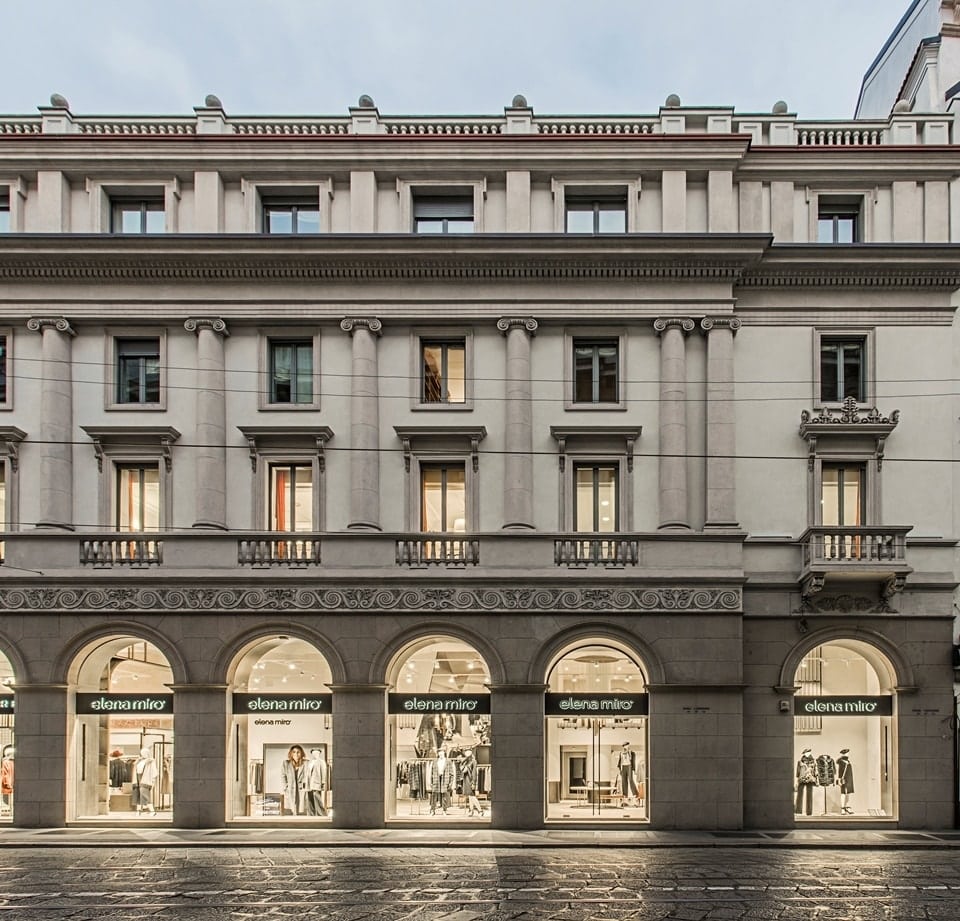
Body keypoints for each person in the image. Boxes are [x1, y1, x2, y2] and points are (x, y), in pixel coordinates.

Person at [281, 744, 307, 816]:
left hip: (301, 789)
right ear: (291, 753)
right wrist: (286, 787)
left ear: (301, 753)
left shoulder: (306, 763)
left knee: (301, 808)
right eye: (294, 752)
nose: (296, 754)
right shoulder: (286, 763)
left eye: (298, 752)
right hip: (290, 788)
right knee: (291, 808)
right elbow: (283, 776)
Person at [429, 744, 455, 815]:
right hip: (436, 779)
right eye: (439, 752)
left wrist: (450, 783)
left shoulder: (448, 761)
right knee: (434, 795)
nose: (440, 753)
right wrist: (430, 781)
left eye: (442, 752)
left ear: (444, 753)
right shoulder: (435, 761)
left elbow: (452, 774)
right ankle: (432, 810)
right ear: (438, 753)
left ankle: (444, 810)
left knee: (444, 795)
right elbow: (431, 772)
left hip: (445, 780)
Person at [460, 748, 485, 817]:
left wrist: (473, 782)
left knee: (472, 796)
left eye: (468, 752)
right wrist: (463, 761)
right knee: (470, 796)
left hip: (470, 780)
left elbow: (474, 772)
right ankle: (471, 810)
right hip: (465, 779)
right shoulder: (465, 761)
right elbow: (461, 769)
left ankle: (480, 810)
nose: (467, 753)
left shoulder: (473, 761)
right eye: (466, 752)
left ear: (471, 753)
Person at [133, 747, 157, 816]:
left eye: (144, 753)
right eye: (142, 753)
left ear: (147, 753)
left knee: (144, 795)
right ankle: (138, 811)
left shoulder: (151, 761)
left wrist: (153, 780)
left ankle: (152, 811)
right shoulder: (139, 761)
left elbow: (154, 771)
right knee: (138, 795)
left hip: (146, 779)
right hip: (138, 779)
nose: (143, 754)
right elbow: (136, 769)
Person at [304, 748, 328, 817]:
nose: (315, 754)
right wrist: (305, 782)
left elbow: (323, 773)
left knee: (317, 797)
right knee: (309, 798)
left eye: (317, 753)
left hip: (317, 783)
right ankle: (311, 814)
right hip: (309, 783)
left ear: (319, 754)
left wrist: (323, 782)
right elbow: (307, 773)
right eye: (314, 753)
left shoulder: (321, 762)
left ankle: (321, 814)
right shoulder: (310, 762)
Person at [617, 742, 640, 806]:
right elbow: (620, 761)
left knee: (630, 780)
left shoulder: (632, 753)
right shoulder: (621, 753)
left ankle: (635, 794)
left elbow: (633, 761)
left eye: (626, 745)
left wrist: (634, 770)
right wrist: (620, 769)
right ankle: (625, 795)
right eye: (624, 745)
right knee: (624, 781)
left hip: (629, 766)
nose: (625, 746)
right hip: (623, 766)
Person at [795, 748, 816, 816]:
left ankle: (809, 812)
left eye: (809, 752)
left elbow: (815, 771)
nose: (808, 753)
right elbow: (798, 772)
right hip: (801, 778)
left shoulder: (813, 761)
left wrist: (815, 778)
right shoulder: (800, 762)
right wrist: (797, 780)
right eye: (806, 752)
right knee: (799, 794)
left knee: (809, 795)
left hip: (810, 779)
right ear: (804, 753)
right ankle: (798, 811)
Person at [837, 748, 855, 815]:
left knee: (848, 793)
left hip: (849, 779)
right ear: (843, 754)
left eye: (848, 753)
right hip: (844, 779)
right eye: (846, 753)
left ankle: (847, 807)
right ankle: (842, 808)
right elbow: (840, 771)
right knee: (843, 793)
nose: (848, 754)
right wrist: (839, 780)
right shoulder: (842, 762)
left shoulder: (848, 761)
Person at [1, 745, 13, 812]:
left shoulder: (6, 762)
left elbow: (6, 773)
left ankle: (10, 809)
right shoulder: (7, 762)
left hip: (8, 782)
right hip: (9, 782)